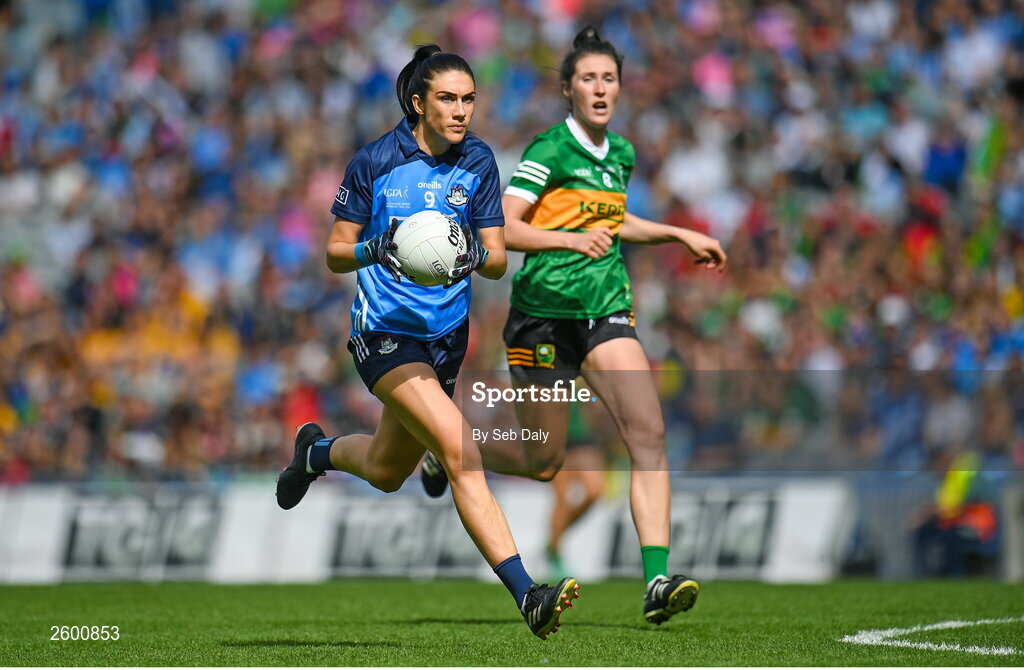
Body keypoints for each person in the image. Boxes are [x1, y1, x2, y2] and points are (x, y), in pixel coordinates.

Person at [421, 26, 727, 626]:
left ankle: (657, 580)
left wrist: (675, 232)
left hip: (607, 312)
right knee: (544, 460)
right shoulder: (549, 151)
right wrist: (568, 239)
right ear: (568, 90)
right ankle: (442, 452)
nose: (600, 88)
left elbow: (612, 222)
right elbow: (504, 228)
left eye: (609, 78)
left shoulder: (623, 154)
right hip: (541, 320)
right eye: (588, 78)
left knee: (649, 434)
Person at [274, 44, 579, 640]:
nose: (461, 110)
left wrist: (470, 253)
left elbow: (495, 259)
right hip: (384, 336)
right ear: (418, 103)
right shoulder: (375, 161)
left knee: (388, 471)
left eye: (468, 98)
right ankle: (528, 594)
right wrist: (376, 249)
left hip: (445, 341)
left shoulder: (480, 162)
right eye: (447, 98)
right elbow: (337, 250)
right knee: (461, 448)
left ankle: (316, 452)